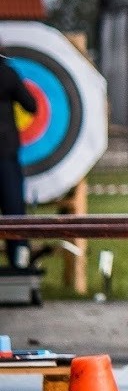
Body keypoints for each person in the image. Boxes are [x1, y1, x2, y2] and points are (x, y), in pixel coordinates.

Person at [0, 53, 37, 269]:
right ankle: (20, 266)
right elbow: (31, 105)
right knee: (14, 213)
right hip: (5, 153)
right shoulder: (7, 73)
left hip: (5, 152)